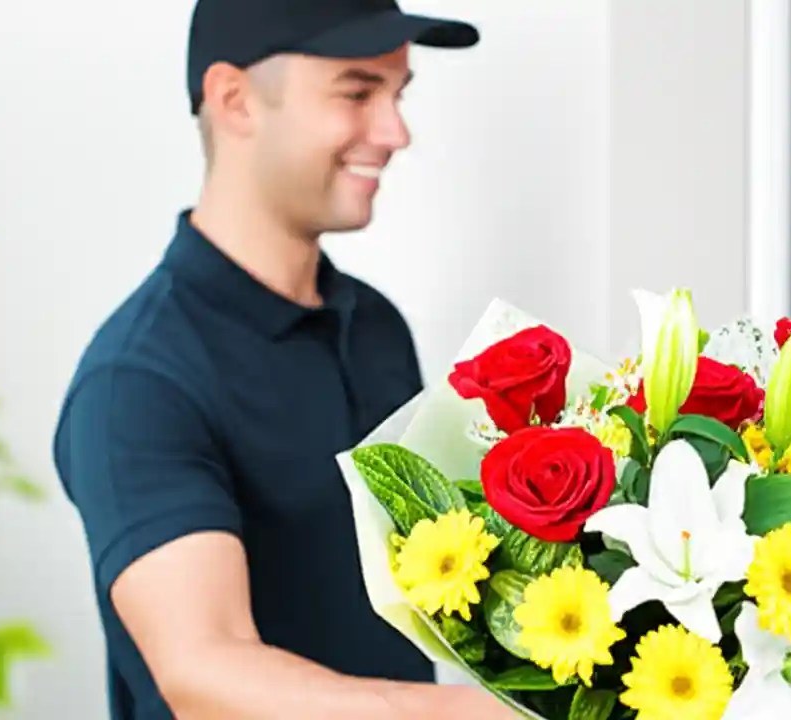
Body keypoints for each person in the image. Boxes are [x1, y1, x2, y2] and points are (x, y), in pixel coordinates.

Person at [51, 1, 516, 718]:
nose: (395, 132)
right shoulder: (138, 381)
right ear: (235, 100)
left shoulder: (375, 326)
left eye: (398, 95)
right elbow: (204, 674)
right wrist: (477, 715)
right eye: (357, 93)